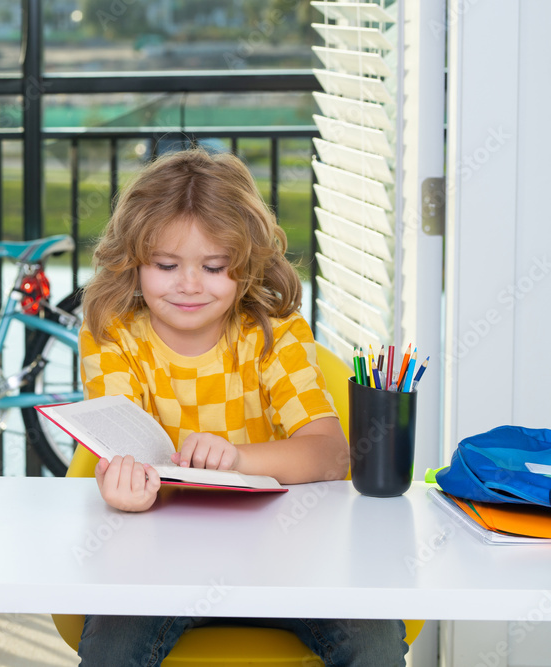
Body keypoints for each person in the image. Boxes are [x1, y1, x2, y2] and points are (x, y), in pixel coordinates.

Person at [76, 149, 408, 666]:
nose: (189, 284)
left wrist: (236, 459)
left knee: (374, 637)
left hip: (287, 553)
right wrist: (121, 487)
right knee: (112, 646)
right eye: (166, 266)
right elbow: (116, 446)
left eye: (213, 267)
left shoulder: (275, 333)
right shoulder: (112, 333)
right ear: (134, 261)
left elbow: (329, 455)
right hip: (160, 559)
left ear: (246, 265)